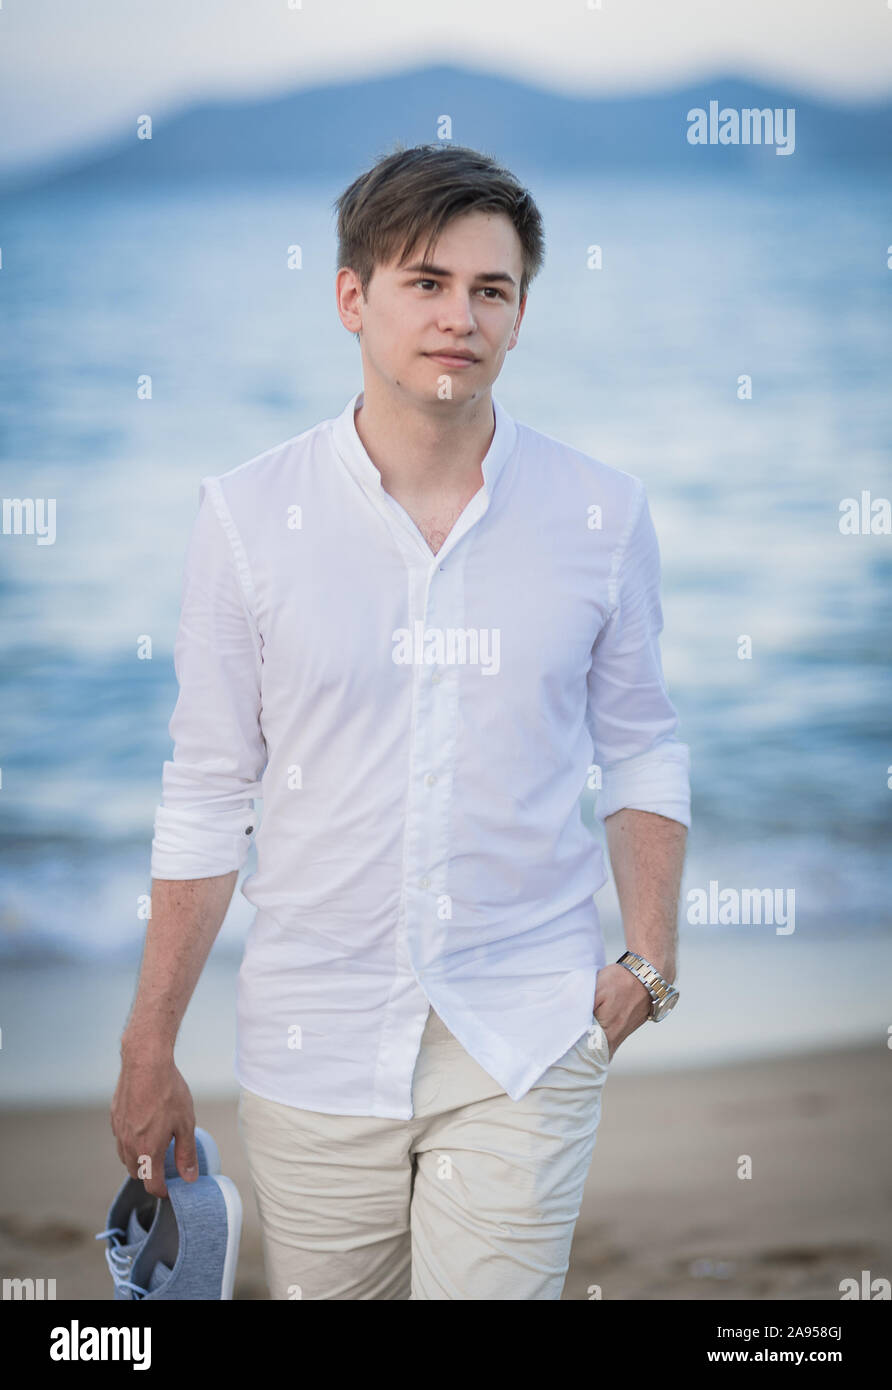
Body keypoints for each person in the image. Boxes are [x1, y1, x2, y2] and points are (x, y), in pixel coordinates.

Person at [112, 142, 691, 1301]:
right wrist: (149, 1043)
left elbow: (640, 742)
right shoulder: (244, 517)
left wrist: (649, 961)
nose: (458, 316)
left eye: (491, 290)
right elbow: (209, 790)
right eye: (424, 282)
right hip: (311, 1041)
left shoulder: (599, 513)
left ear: (521, 317)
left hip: (526, 1030)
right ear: (351, 297)